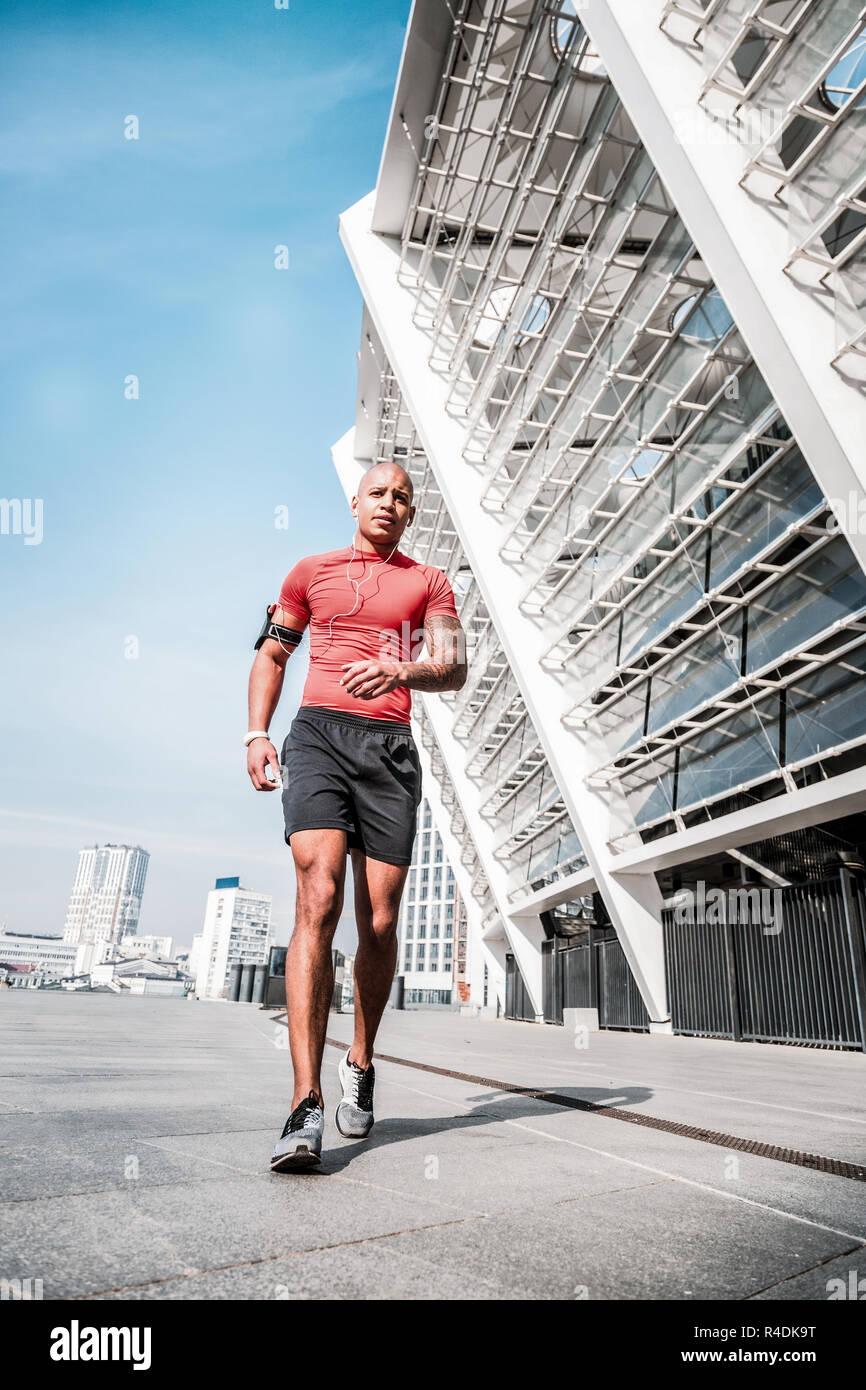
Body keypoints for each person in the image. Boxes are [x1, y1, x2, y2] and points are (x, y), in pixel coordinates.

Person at [246, 461, 467, 1172]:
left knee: (379, 919)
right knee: (319, 895)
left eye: (403, 497)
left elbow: (453, 666)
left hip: (390, 750)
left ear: (410, 514)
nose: (391, 502)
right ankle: (304, 1102)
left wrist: (401, 671)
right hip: (316, 736)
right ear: (355, 501)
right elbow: (273, 654)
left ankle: (362, 1060)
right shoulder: (309, 571)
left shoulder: (429, 582)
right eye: (380, 491)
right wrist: (257, 733)